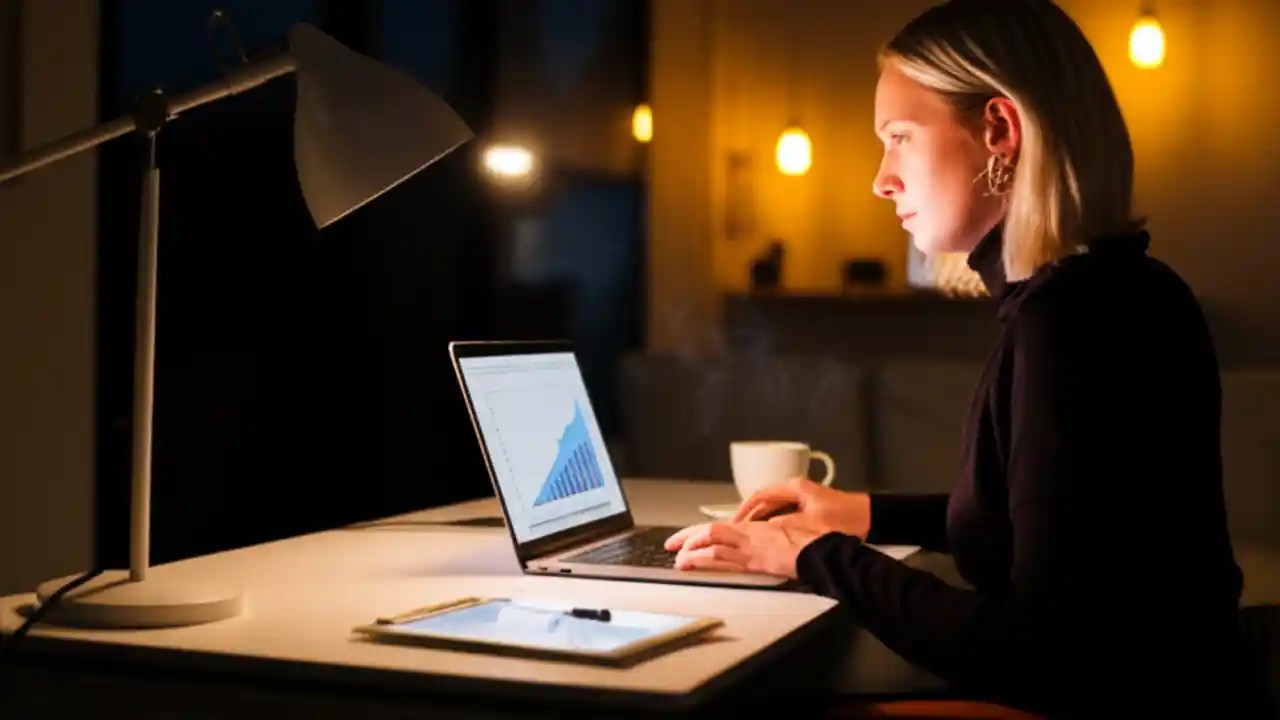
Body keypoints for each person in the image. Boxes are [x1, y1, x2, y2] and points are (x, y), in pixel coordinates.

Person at [663, 1, 1268, 717]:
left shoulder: (1072, 321)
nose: (881, 179)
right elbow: (1062, 526)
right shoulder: (1118, 289)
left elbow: (1042, 654)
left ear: (1000, 130)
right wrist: (859, 514)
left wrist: (808, 557)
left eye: (900, 138)